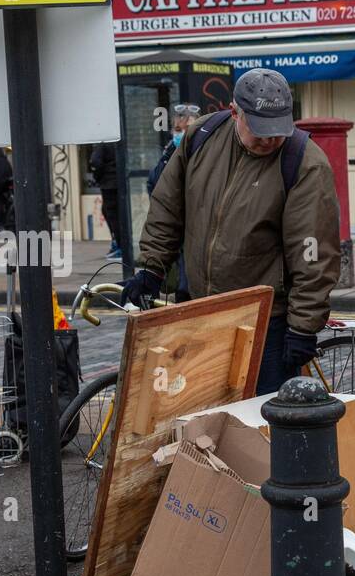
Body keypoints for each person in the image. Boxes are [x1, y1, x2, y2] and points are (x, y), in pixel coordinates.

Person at [123, 69, 341, 394]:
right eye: (260, 131)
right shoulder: (202, 136)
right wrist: (153, 269)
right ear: (234, 111)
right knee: (201, 422)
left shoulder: (305, 163)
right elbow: (168, 207)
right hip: (198, 310)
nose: (269, 140)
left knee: (260, 429)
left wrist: (303, 328)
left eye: (277, 131)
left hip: (265, 325)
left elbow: (313, 254)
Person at [146, 103, 201, 302]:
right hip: (179, 248)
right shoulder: (166, 159)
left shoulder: (207, 157)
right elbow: (156, 193)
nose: (182, 134)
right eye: (178, 130)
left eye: (188, 129)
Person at [88, 142, 124, 260]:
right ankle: (118, 243)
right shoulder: (118, 139)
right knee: (115, 214)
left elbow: (95, 162)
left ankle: (120, 246)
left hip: (109, 183)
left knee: (112, 216)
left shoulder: (102, 142)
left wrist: (98, 178)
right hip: (120, 182)